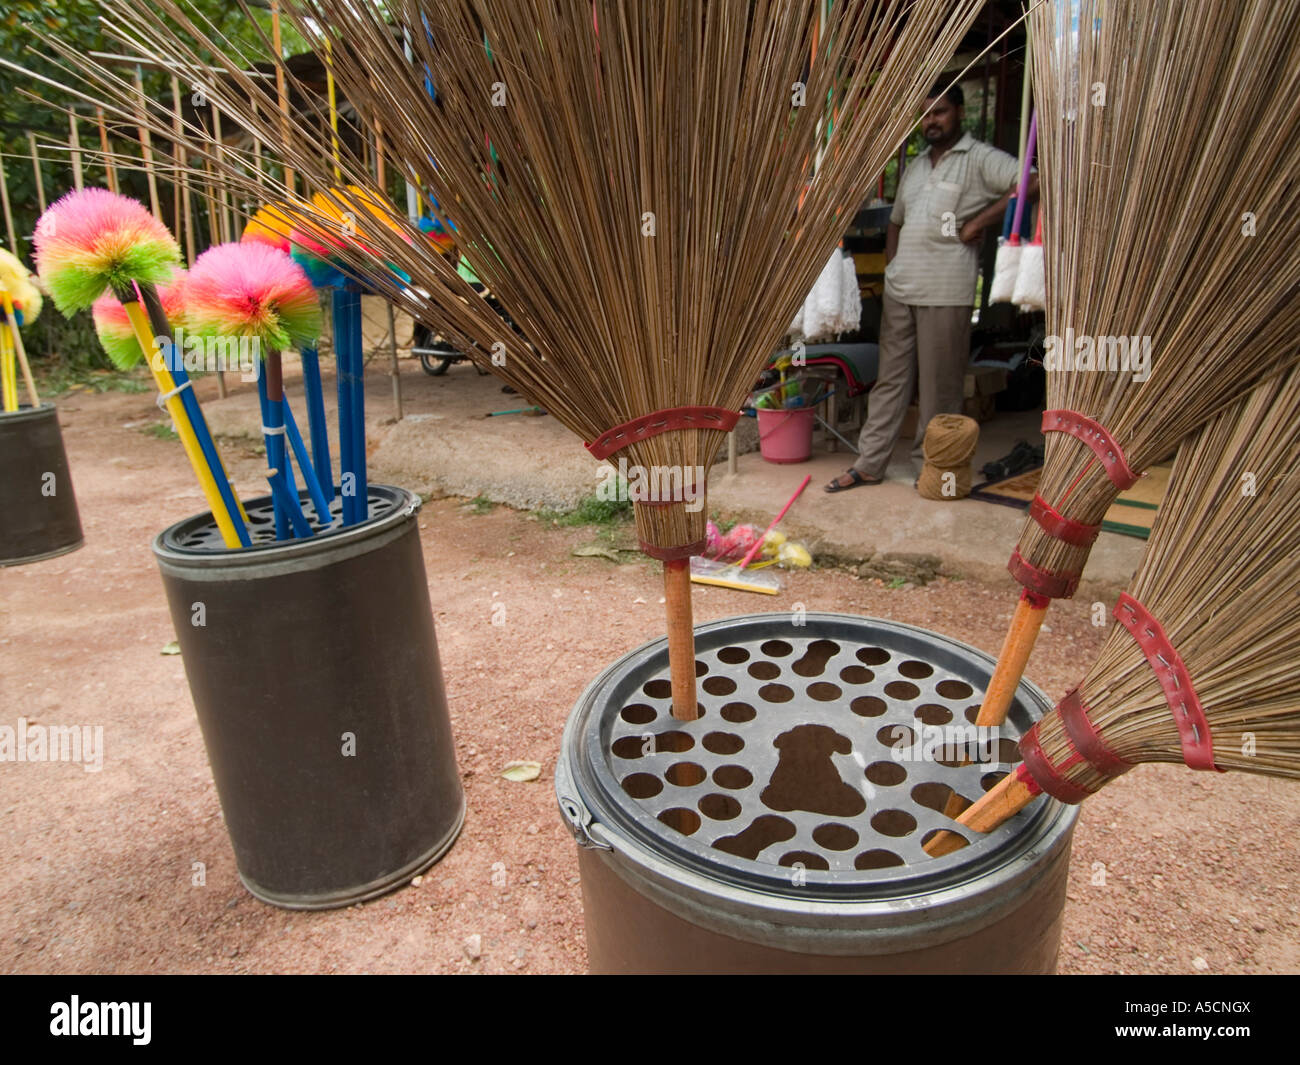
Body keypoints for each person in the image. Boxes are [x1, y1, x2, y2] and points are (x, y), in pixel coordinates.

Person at [825, 81, 1036, 492]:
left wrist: (978, 222)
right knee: (890, 381)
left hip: (946, 288)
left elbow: (1031, 181)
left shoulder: (978, 158)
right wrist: (893, 267)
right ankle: (869, 463)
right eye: (925, 114)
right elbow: (897, 222)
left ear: (959, 112)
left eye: (938, 112)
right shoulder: (918, 165)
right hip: (903, 287)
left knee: (939, 386)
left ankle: (933, 467)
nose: (931, 121)